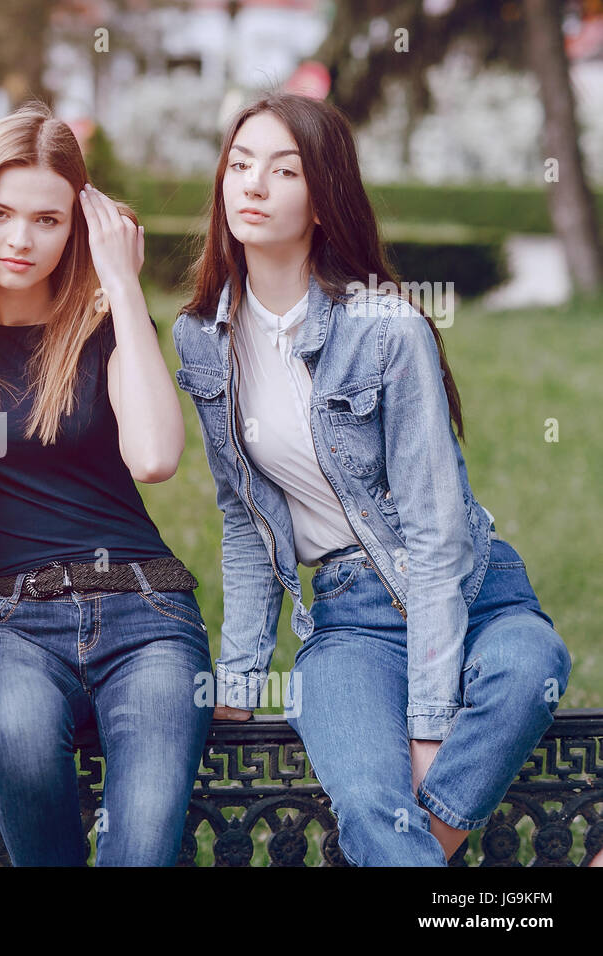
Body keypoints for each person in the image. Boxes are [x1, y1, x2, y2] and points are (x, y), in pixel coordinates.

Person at [172, 92, 572, 866]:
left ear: (323, 201)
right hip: (348, 622)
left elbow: (435, 532)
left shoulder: (386, 329)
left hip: (475, 593)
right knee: (366, 802)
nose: (252, 185)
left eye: (283, 171)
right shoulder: (202, 338)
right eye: (241, 164)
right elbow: (245, 520)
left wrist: (429, 720)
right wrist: (242, 676)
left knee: (531, 667)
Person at [0, 102, 212, 866]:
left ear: (79, 225)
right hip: (13, 621)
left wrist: (123, 282)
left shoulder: (108, 323)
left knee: (140, 847)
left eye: (47, 219)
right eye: (0, 214)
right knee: (16, 737)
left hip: (147, 608)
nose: (19, 239)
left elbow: (155, 457)